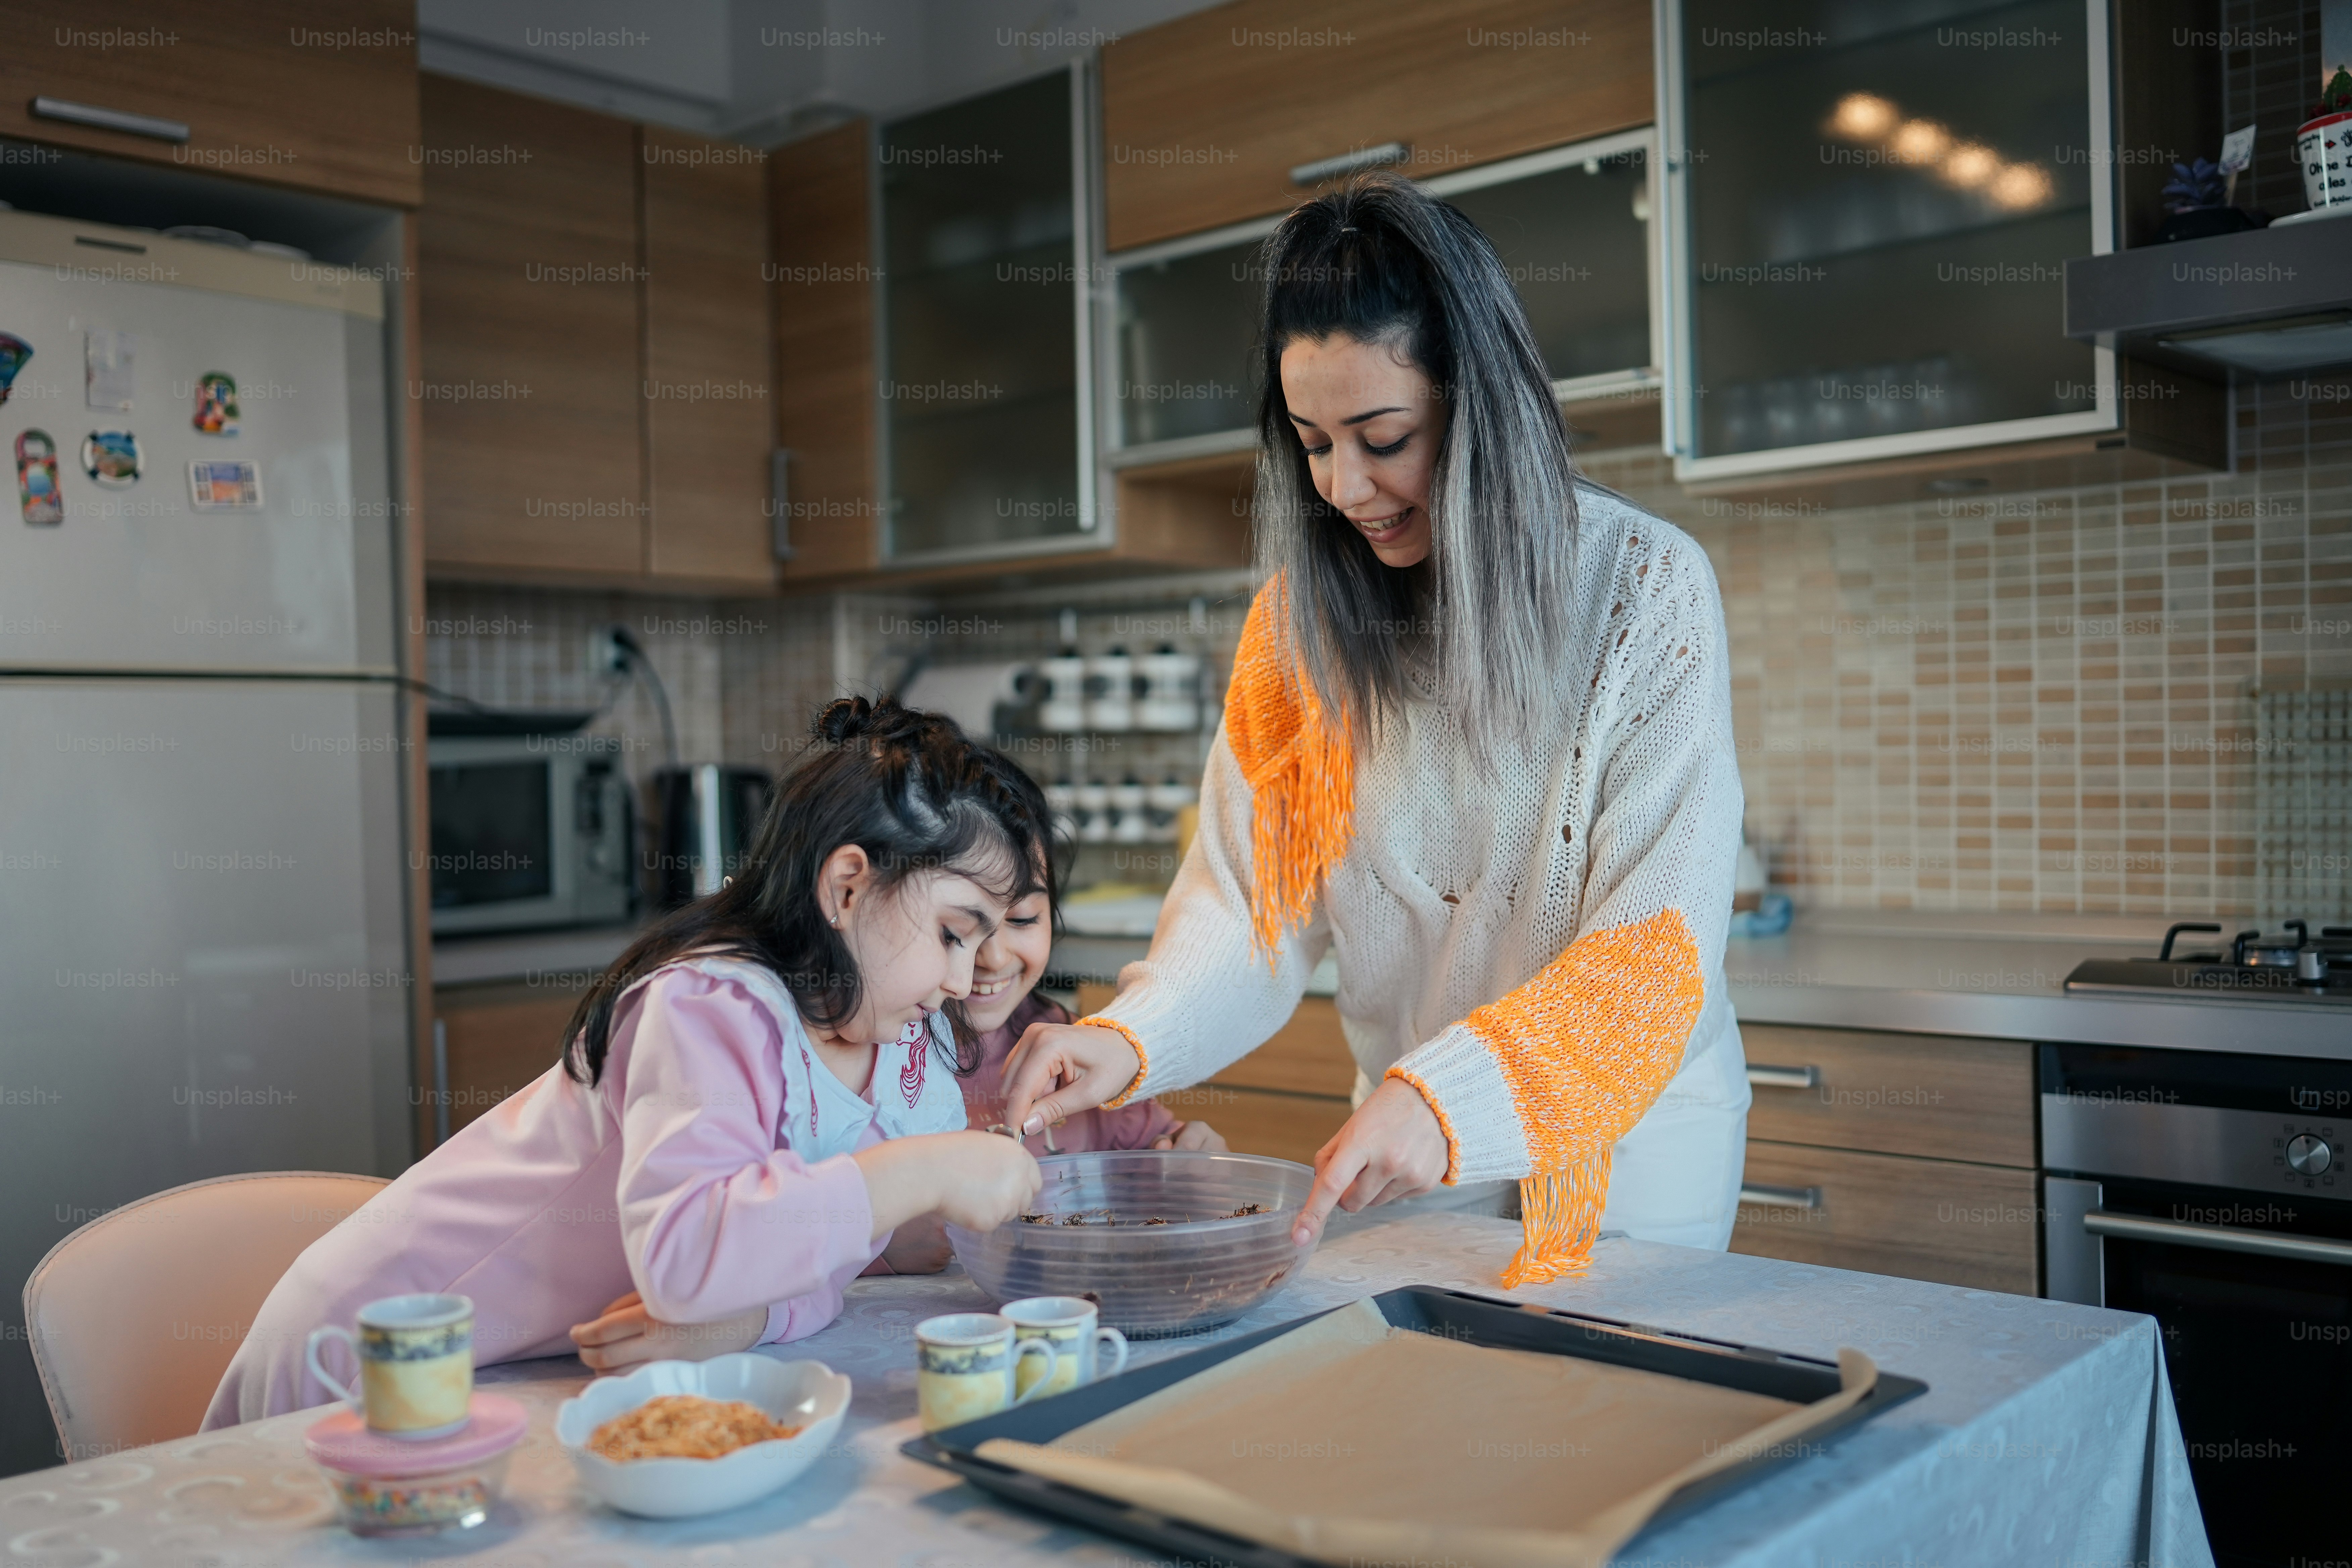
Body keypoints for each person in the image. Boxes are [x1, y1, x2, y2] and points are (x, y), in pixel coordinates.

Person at [1002, 173, 1750, 1286]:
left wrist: (1438, 1096)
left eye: (1382, 436)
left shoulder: (1642, 590)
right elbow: (1250, 910)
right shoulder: (1292, 632)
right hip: (1403, 1134)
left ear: (1476, 403)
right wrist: (1130, 1036)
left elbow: (1652, 952)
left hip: (1627, 1146)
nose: (1345, 487)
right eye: (1311, 443)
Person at [203, 699, 1044, 1425]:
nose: (968, 979)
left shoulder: (904, 1045)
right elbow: (689, 1256)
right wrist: (926, 1168)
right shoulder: (711, 1008)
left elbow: (840, 1253)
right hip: (374, 1351)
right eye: (952, 932)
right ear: (849, 887)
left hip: (520, 1373)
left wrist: (745, 1319)